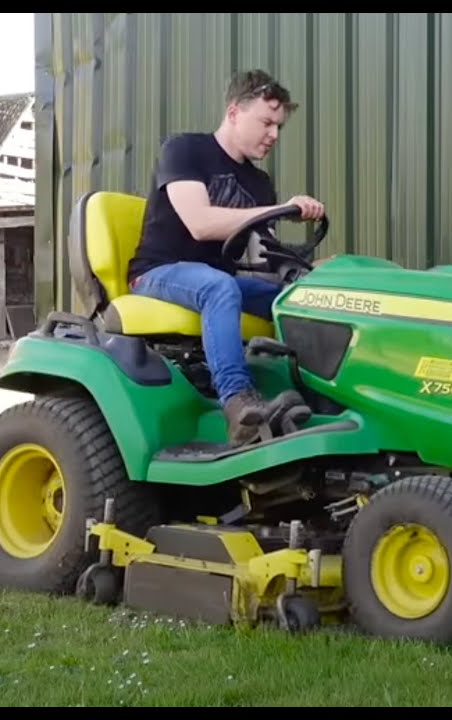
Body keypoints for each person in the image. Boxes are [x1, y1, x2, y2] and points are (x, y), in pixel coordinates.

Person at [126, 69, 326, 447]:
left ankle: (320, 395)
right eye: (266, 122)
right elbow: (200, 224)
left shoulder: (259, 183)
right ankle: (238, 403)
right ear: (234, 112)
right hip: (158, 273)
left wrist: (311, 273)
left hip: (218, 280)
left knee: (297, 297)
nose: (274, 135)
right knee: (219, 287)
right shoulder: (184, 150)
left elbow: (266, 255)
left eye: (279, 126)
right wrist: (282, 208)